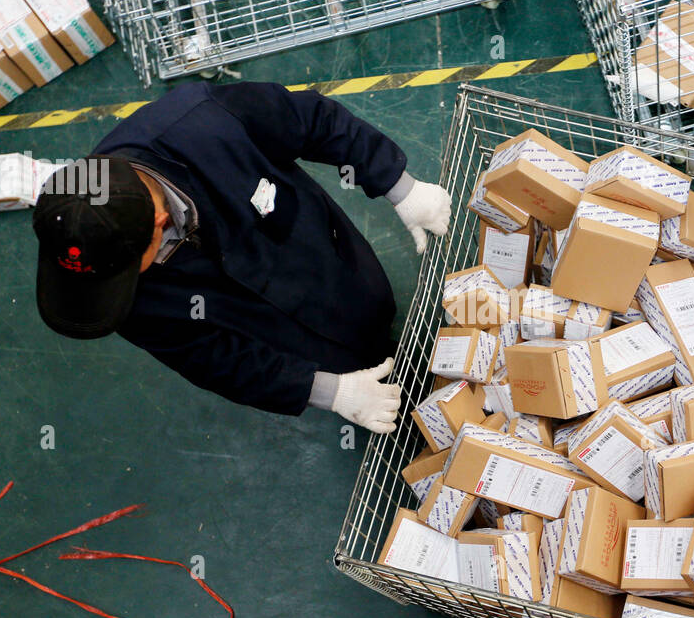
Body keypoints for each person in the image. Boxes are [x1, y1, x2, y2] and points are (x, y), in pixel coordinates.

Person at [31, 82, 450, 434]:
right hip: (280, 339)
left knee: (373, 307)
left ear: (158, 224)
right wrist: (329, 391)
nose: (117, 286)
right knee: (351, 364)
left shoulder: (205, 121)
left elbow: (316, 121)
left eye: (125, 272)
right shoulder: (98, 273)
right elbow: (213, 359)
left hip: (329, 266)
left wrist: (400, 186)